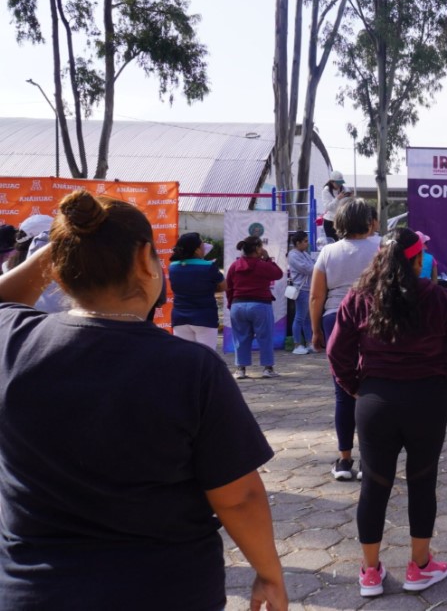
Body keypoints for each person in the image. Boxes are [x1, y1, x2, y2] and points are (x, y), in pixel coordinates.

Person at [0, 190, 286, 610]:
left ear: (60, 263)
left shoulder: (13, 342)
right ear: (143, 260)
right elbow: (238, 497)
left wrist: (62, 248)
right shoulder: (193, 370)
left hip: (35, 592)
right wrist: (269, 574)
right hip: (165, 590)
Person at [327, 227, 447, 597]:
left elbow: (336, 351)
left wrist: (356, 386)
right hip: (427, 399)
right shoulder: (439, 298)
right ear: (415, 259)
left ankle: (370, 572)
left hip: (375, 401)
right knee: (422, 482)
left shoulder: (359, 296)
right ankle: (420, 567)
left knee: (373, 485)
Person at [311, 199, 380, 481]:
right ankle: (370, 459)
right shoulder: (382, 247)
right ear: (368, 221)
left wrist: (316, 331)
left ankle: (344, 460)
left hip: (334, 319)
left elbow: (316, 295)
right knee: (373, 389)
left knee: (342, 391)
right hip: (374, 320)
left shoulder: (328, 252)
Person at [226, 234, 284, 379]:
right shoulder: (262, 265)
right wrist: (268, 258)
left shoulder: (234, 266)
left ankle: (240, 369)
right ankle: (267, 369)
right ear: (257, 249)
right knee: (265, 337)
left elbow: (228, 287)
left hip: (238, 305)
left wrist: (230, 304)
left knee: (241, 338)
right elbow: (278, 274)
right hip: (260, 305)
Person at [169, 231, 224, 349]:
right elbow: (223, 286)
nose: (204, 247)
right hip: (204, 318)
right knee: (207, 358)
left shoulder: (173, 266)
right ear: (197, 250)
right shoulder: (208, 266)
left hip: (180, 318)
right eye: (202, 245)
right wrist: (207, 288)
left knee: (185, 359)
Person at [287, 231, 316, 354]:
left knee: (307, 319)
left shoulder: (303, 253)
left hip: (308, 289)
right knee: (299, 317)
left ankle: (309, 343)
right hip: (302, 289)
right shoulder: (293, 255)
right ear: (297, 243)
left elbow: (312, 266)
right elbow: (308, 269)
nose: (307, 244)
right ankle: (297, 344)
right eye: (305, 241)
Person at [321, 171, 353, 242]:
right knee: (332, 242)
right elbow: (328, 207)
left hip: (342, 220)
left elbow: (348, 205)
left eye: (341, 182)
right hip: (330, 221)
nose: (340, 185)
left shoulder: (345, 189)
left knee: (344, 242)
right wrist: (338, 198)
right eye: (338, 183)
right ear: (332, 182)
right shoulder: (326, 191)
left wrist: (351, 198)